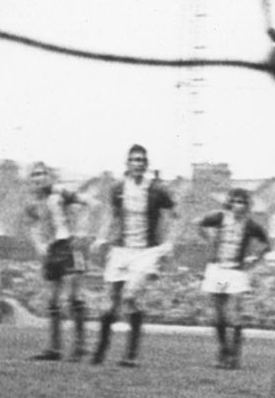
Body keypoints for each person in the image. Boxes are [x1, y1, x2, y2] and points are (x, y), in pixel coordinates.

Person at [89, 145, 175, 367]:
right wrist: (101, 238)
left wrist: (169, 242)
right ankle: (100, 350)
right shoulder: (118, 188)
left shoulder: (157, 190)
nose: (137, 164)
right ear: (127, 164)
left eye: (141, 160)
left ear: (146, 165)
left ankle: (131, 354)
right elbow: (111, 216)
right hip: (120, 250)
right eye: (134, 160)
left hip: (146, 252)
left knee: (129, 297)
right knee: (109, 305)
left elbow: (176, 215)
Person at [198, 188, 270, 368]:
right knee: (219, 315)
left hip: (235, 273)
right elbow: (200, 224)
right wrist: (209, 238)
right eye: (236, 202)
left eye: (243, 203)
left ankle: (234, 356)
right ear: (230, 203)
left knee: (234, 314)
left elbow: (267, 244)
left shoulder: (251, 225)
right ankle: (224, 350)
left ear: (247, 206)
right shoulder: (219, 218)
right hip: (219, 271)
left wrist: (254, 259)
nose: (239, 206)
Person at [24, 162, 88, 362]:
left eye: (42, 174)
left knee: (73, 297)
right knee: (52, 300)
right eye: (35, 174)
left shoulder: (60, 193)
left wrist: (80, 232)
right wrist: (39, 246)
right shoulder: (32, 203)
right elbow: (32, 226)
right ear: (31, 179)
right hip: (51, 250)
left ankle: (79, 347)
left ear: (49, 176)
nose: (39, 177)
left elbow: (86, 204)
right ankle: (54, 349)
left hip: (68, 247)